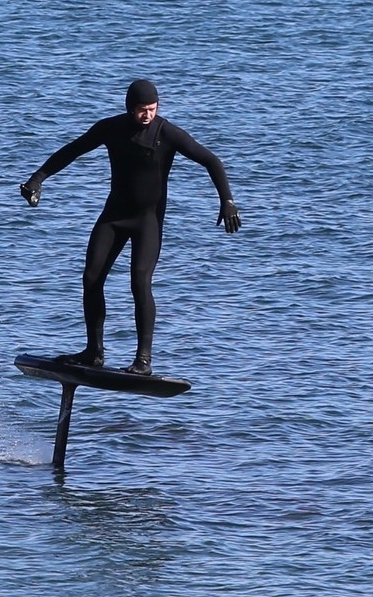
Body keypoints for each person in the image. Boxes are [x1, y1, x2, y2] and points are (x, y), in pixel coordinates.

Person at [19, 79, 241, 375]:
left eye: (152, 109)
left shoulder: (167, 133)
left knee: (139, 282)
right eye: (141, 110)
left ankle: (143, 360)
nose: (147, 115)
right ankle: (93, 352)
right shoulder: (111, 128)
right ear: (129, 108)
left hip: (147, 221)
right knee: (91, 278)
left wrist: (227, 201)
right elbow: (73, 150)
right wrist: (37, 179)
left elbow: (211, 161)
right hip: (114, 217)